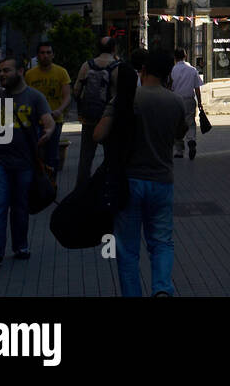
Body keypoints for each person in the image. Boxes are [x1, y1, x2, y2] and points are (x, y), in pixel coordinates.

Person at [94, 48, 186, 297]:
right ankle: (162, 289)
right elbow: (180, 134)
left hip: (129, 183)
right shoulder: (176, 101)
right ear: (169, 75)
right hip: (162, 182)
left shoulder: (126, 99)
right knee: (162, 242)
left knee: (127, 249)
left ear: (143, 71)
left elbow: (98, 134)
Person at [0, 58, 54, 269]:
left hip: (25, 163)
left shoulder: (34, 97)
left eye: (6, 70)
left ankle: (20, 246)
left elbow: (48, 121)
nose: (2, 74)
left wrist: (48, 131)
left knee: (20, 207)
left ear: (20, 71)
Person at [72, 37, 119, 186]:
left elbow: (76, 91)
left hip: (89, 118)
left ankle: (80, 191)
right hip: (109, 120)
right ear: (114, 49)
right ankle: (108, 187)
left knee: (85, 158)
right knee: (111, 156)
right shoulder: (117, 66)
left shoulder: (87, 65)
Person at [25, 42, 71, 177]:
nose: (45, 56)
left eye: (48, 52)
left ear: (53, 55)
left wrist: (60, 110)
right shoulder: (30, 74)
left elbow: (67, 96)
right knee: (35, 152)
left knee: (52, 154)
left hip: (54, 119)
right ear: (37, 56)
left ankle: (51, 184)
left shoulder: (61, 72)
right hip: (34, 120)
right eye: (42, 53)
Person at [169, 49, 203, 161]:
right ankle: (191, 140)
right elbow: (197, 87)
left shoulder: (172, 70)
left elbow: (169, 86)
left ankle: (179, 150)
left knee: (176, 124)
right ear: (186, 56)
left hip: (175, 100)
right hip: (189, 99)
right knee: (190, 123)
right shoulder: (192, 70)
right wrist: (200, 102)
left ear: (175, 57)